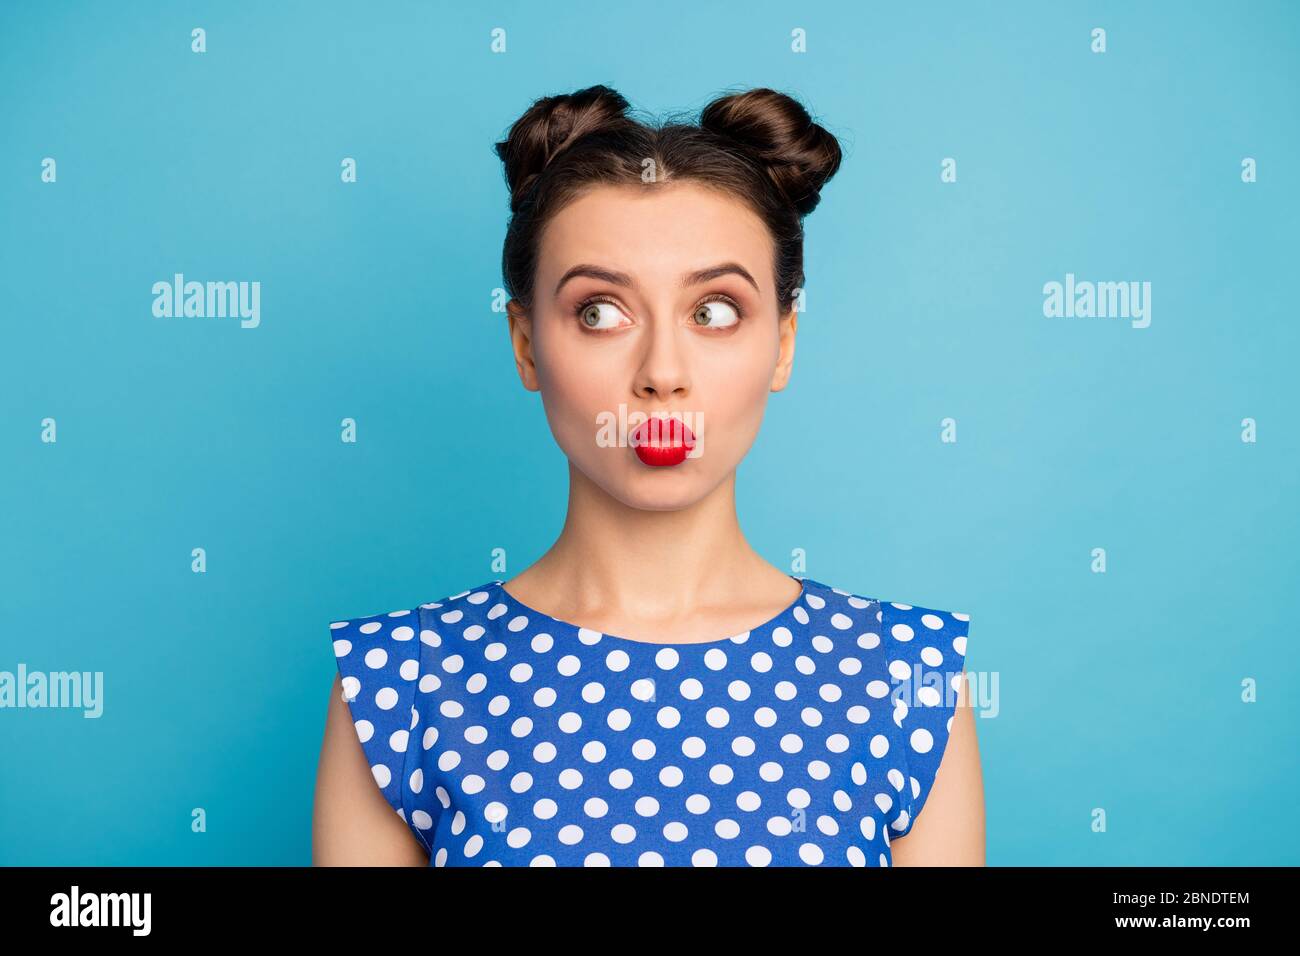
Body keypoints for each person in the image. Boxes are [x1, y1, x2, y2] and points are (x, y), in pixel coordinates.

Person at [313, 84, 983, 867]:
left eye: (716, 310)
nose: (662, 373)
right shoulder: (402, 680)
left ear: (784, 341)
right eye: (599, 311)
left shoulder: (906, 674)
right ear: (527, 344)